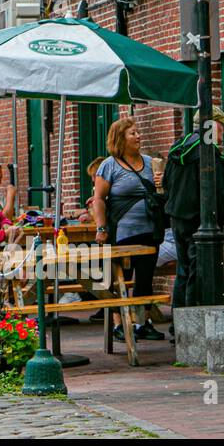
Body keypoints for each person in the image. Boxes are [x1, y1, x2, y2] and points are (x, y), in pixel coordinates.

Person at [90, 116, 166, 342]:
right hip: (121, 232)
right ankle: (119, 324)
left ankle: (142, 323)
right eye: (133, 133)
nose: (138, 136)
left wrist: (161, 184)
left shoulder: (150, 162)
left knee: (145, 278)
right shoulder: (109, 165)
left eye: (138, 132)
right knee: (121, 279)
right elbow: (98, 199)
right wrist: (101, 227)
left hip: (150, 230)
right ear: (120, 138)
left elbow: (160, 195)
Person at [163, 104, 224, 313]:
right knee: (197, 271)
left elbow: (166, 183)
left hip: (177, 217)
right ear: (211, 126)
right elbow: (220, 191)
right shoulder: (207, 153)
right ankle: (192, 320)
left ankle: (178, 320)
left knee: (184, 269)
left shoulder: (178, 148)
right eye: (222, 125)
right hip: (199, 220)